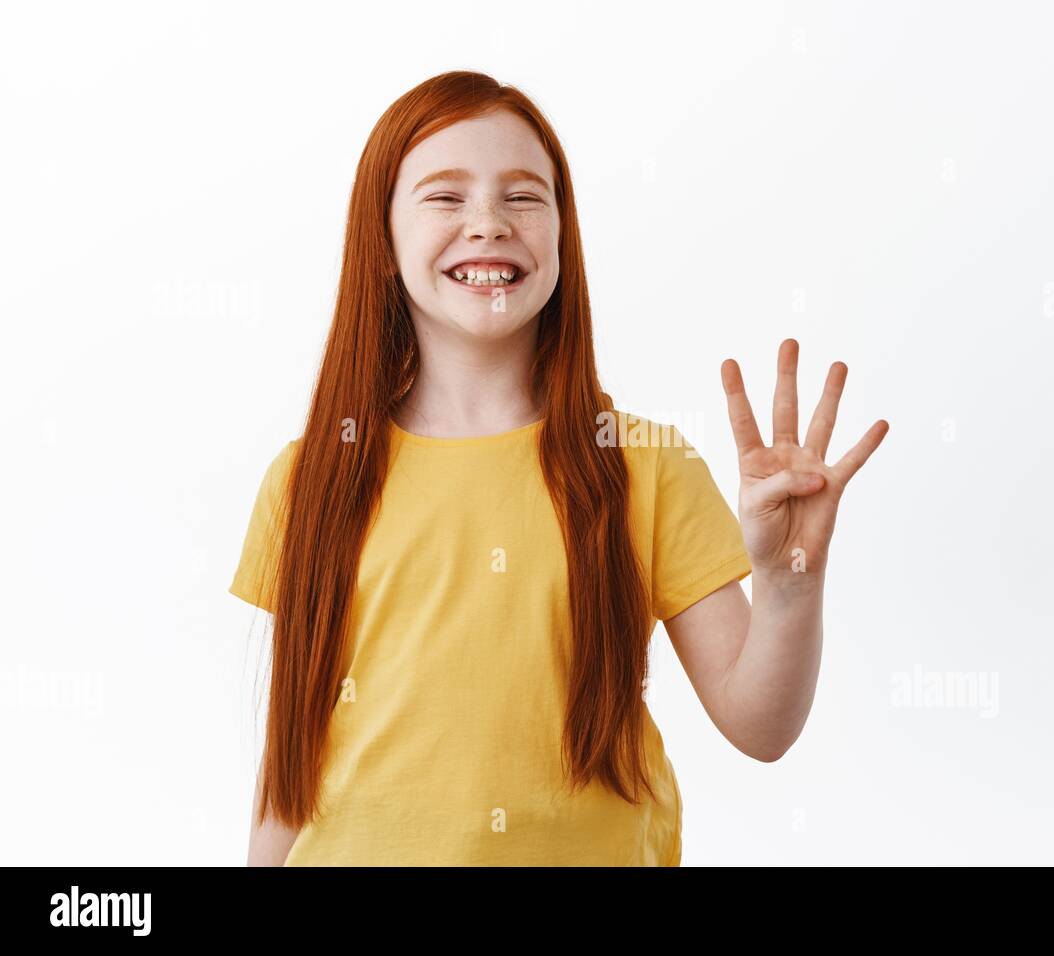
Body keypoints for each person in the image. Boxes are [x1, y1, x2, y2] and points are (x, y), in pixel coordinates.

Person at [231, 70, 889, 866]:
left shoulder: (643, 467)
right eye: (445, 196)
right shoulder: (311, 479)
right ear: (382, 236)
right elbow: (289, 767)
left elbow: (761, 726)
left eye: (522, 197)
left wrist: (788, 583)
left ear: (561, 237)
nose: (487, 224)